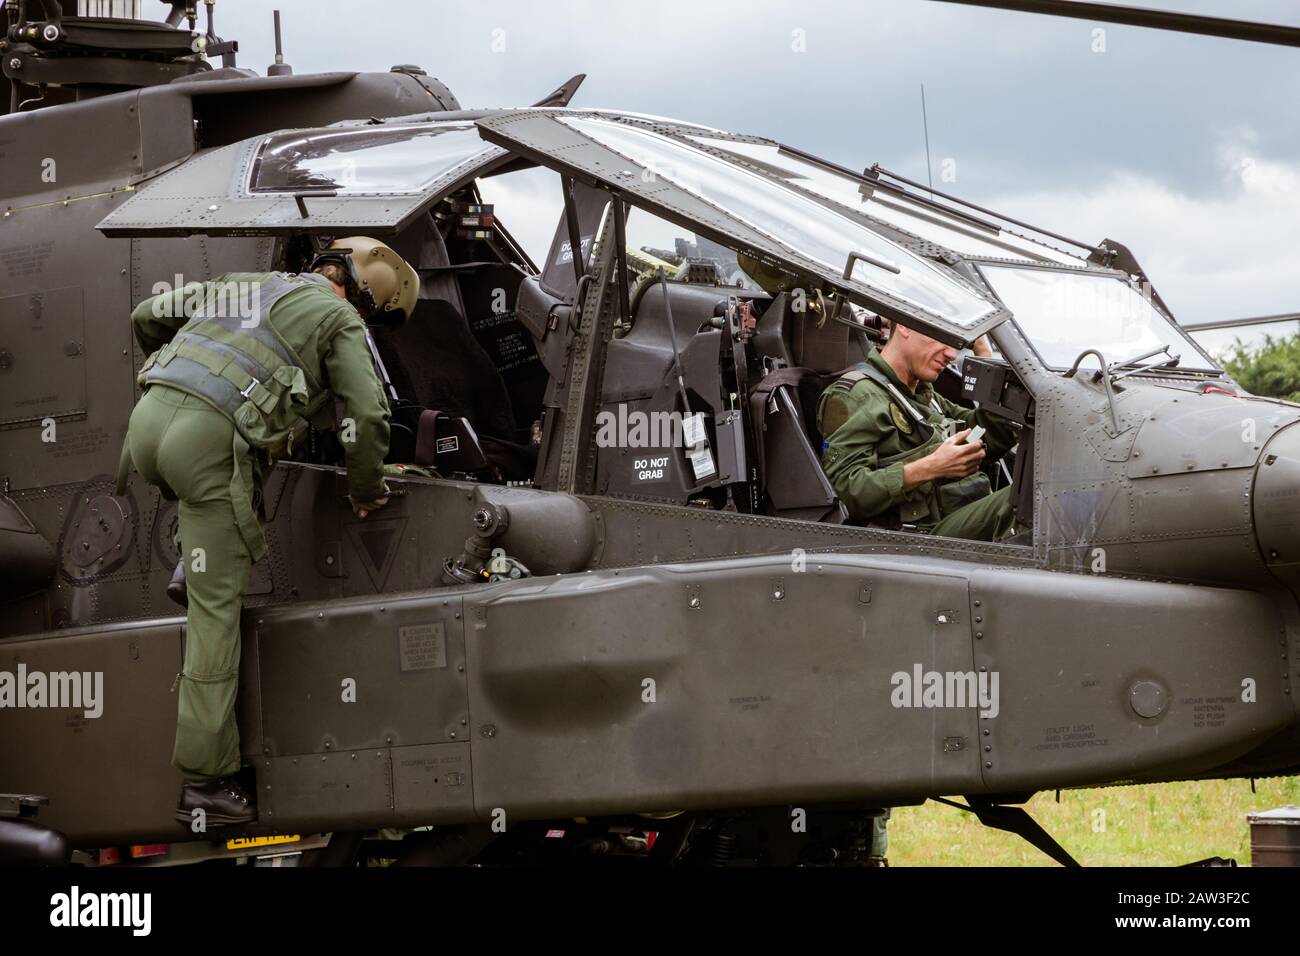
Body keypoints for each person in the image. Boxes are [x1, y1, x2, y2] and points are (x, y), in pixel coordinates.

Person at [118, 237, 417, 827]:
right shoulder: (338, 318)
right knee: (214, 614)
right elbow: (366, 416)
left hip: (149, 426)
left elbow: (145, 316)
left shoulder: (240, 284)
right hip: (207, 445)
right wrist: (365, 488)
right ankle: (207, 784)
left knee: (242, 466)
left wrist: (189, 372)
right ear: (365, 297)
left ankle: (193, 556)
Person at [817, 321, 1018, 540]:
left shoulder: (923, 395)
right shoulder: (857, 395)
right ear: (905, 326)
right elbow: (848, 492)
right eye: (942, 339)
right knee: (1024, 500)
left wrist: (985, 354)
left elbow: (987, 435)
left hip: (952, 515)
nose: (952, 354)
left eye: (956, 344)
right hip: (914, 540)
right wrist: (931, 467)